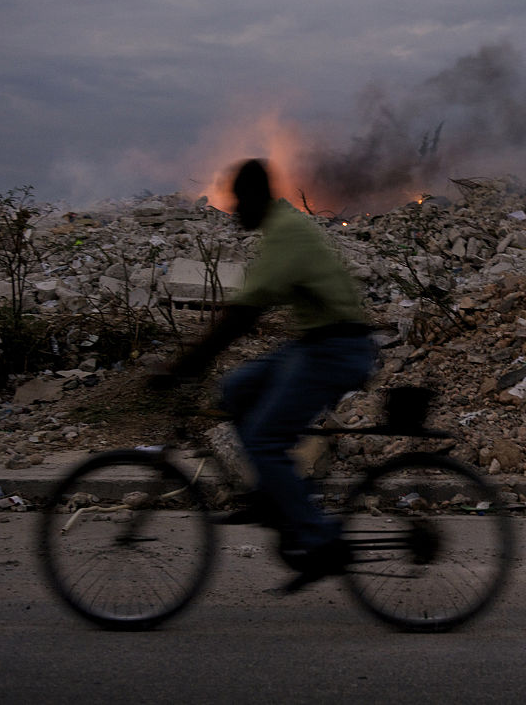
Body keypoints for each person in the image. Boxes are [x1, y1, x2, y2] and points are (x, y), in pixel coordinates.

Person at [153, 158, 377, 585]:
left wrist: (184, 365)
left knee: (263, 438)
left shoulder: (287, 233)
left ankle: (318, 538)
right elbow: (248, 308)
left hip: (337, 347)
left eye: (239, 200)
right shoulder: (278, 232)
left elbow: (243, 315)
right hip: (315, 342)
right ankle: (273, 493)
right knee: (236, 388)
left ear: (256, 196)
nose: (235, 210)